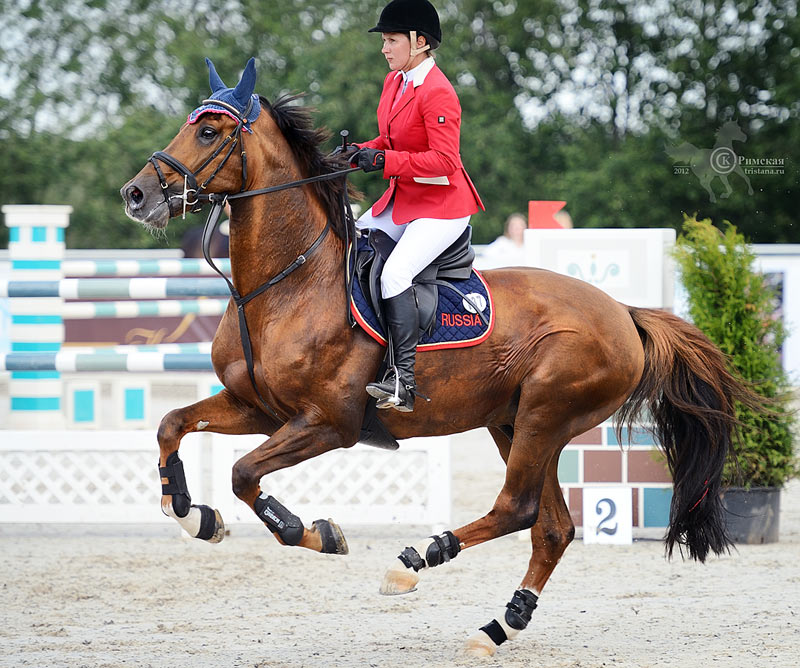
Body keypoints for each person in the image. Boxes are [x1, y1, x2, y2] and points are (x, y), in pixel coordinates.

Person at [346, 0, 484, 413]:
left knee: (395, 274)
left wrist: (383, 161)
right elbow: (390, 140)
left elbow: (445, 162)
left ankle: (402, 379)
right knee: (349, 246)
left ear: (419, 42)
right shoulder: (396, 82)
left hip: (442, 205)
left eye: (391, 40)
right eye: (385, 41)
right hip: (405, 198)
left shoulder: (439, 92)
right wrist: (356, 153)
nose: (384, 49)